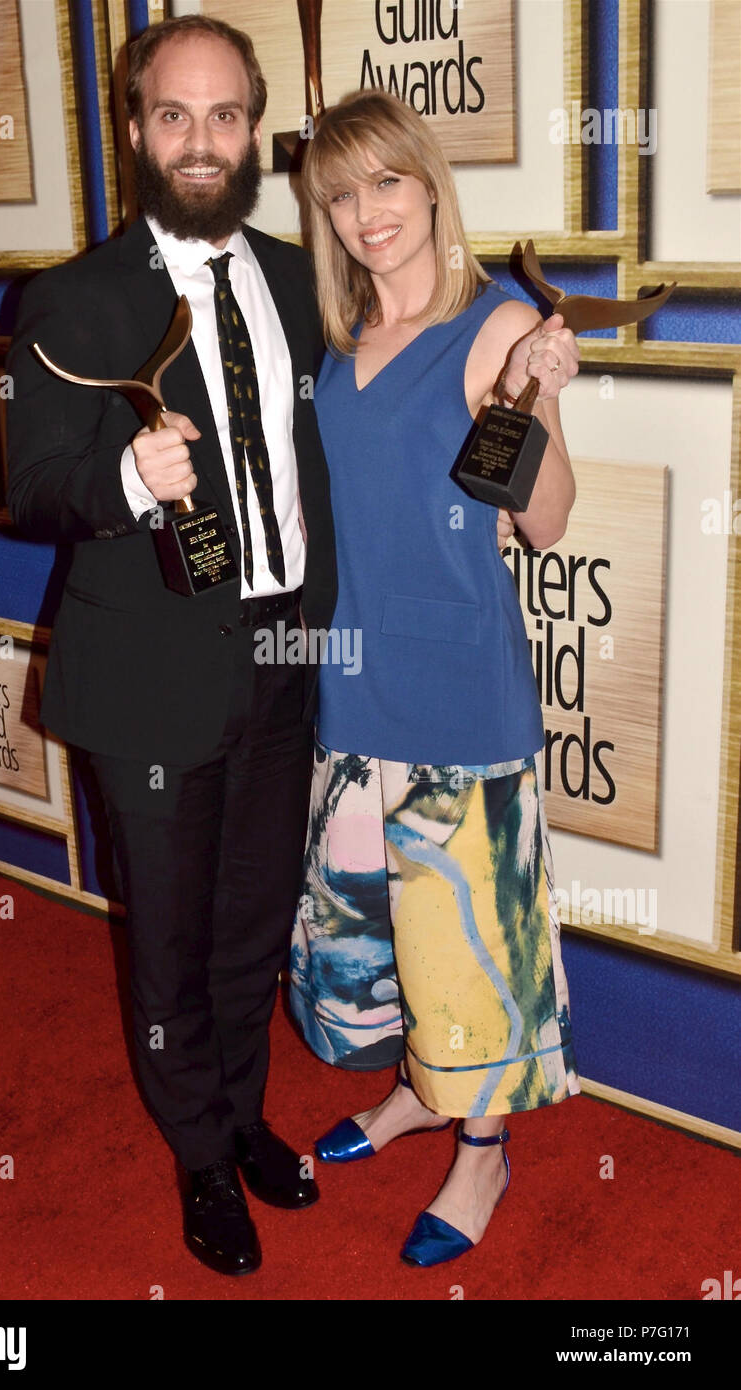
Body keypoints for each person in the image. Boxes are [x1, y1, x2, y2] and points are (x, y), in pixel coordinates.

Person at [5, 15, 340, 1278]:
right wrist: (127, 477)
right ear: (135, 128)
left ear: (255, 128)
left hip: (281, 657)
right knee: (170, 940)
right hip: (148, 674)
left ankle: (243, 1112)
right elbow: (29, 485)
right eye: (173, 116)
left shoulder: (304, 280)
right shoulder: (69, 300)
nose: (201, 143)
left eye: (224, 116)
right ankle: (199, 1153)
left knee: (255, 920)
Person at [289, 89, 582, 1267]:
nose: (366, 214)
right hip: (348, 690)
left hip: (458, 696)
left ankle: (480, 1149)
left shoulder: (497, 324)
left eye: (385, 184)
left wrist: (539, 393)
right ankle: (418, 1088)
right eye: (339, 195)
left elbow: (549, 522)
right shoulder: (338, 343)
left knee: (470, 943)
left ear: (426, 186)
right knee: (384, 932)